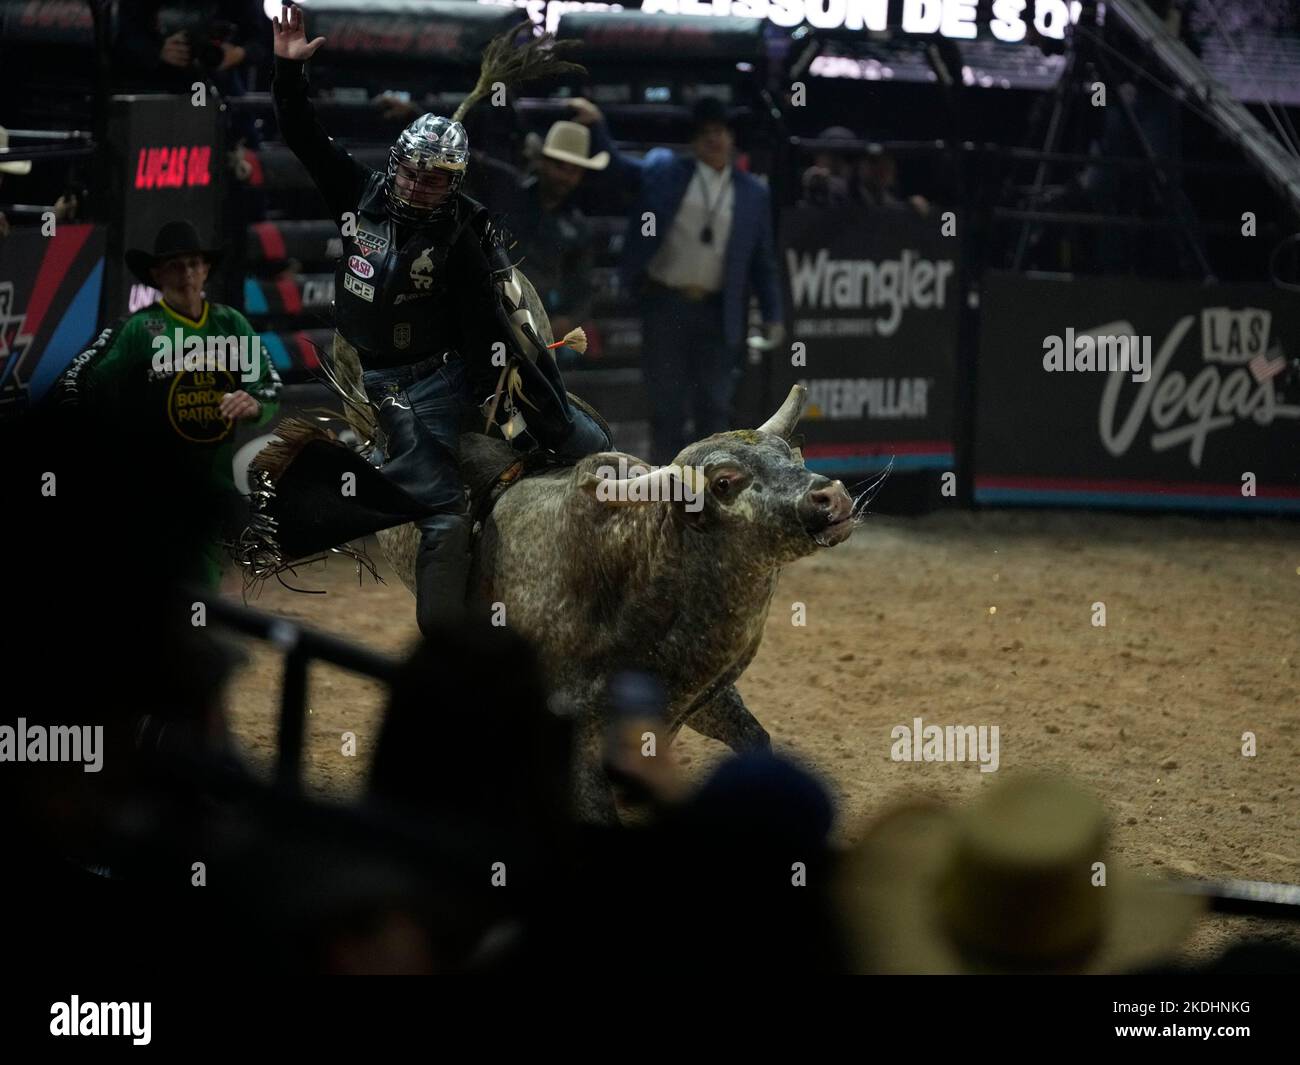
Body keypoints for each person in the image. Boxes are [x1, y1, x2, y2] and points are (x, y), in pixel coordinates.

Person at [270, 4, 610, 637]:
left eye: (440, 179)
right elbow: (303, 136)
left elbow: (492, 325)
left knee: (584, 441)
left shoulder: (466, 234)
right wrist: (289, 74)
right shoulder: (360, 194)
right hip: (396, 386)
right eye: (416, 174)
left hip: (460, 367)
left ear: (455, 182)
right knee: (444, 516)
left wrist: (515, 397)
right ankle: (448, 655)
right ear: (396, 165)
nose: (424, 187)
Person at [78, 220, 282, 589]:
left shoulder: (230, 323)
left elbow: (267, 386)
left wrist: (253, 405)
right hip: (156, 480)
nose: (186, 273)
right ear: (156, 274)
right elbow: (81, 378)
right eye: (174, 265)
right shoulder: (140, 328)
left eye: (193, 263)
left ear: (205, 269)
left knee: (204, 575)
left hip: (213, 479)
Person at [588, 96, 785, 463]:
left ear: (732, 139)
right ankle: (669, 488)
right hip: (667, 306)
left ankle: (711, 489)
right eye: (707, 133)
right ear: (695, 141)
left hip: (718, 310)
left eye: (722, 132)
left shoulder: (753, 194)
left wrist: (773, 314)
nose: (716, 139)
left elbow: (763, 262)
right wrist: (598, 126)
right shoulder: (667, 172)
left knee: (714, 406)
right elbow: (617, 169)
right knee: (667, 407)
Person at [501, 111, 610, 368]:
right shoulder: (508, 204)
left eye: (574, 171)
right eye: (560, 166)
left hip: (547, 327)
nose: (566, 177)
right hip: (501, 319)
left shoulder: (577, 226)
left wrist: (568, 319)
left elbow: (581, 284)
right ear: (543, 162)